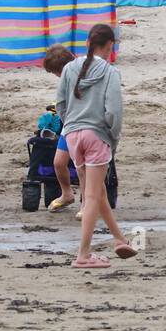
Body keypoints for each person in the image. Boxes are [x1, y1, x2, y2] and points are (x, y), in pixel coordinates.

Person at [56, 24, 136, 268]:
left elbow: (60, 104)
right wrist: (112, 138)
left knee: (97, 192)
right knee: (91, 196)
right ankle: (83, 254)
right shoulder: (111, 72)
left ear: (88, 42)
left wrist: (70, 125)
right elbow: (113, 111)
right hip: (96, 135)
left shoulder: (70, 67)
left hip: (72, 136)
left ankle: (120, 239)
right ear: (110, 46)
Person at [42, 44, 77, 212]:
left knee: (82, 166)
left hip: (83, 125)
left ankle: (87, 204)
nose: (56, 76)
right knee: (58, 162)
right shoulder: (65, 81)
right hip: (69, 126)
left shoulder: (80, 77)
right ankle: (67, 193)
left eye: (56, 73)